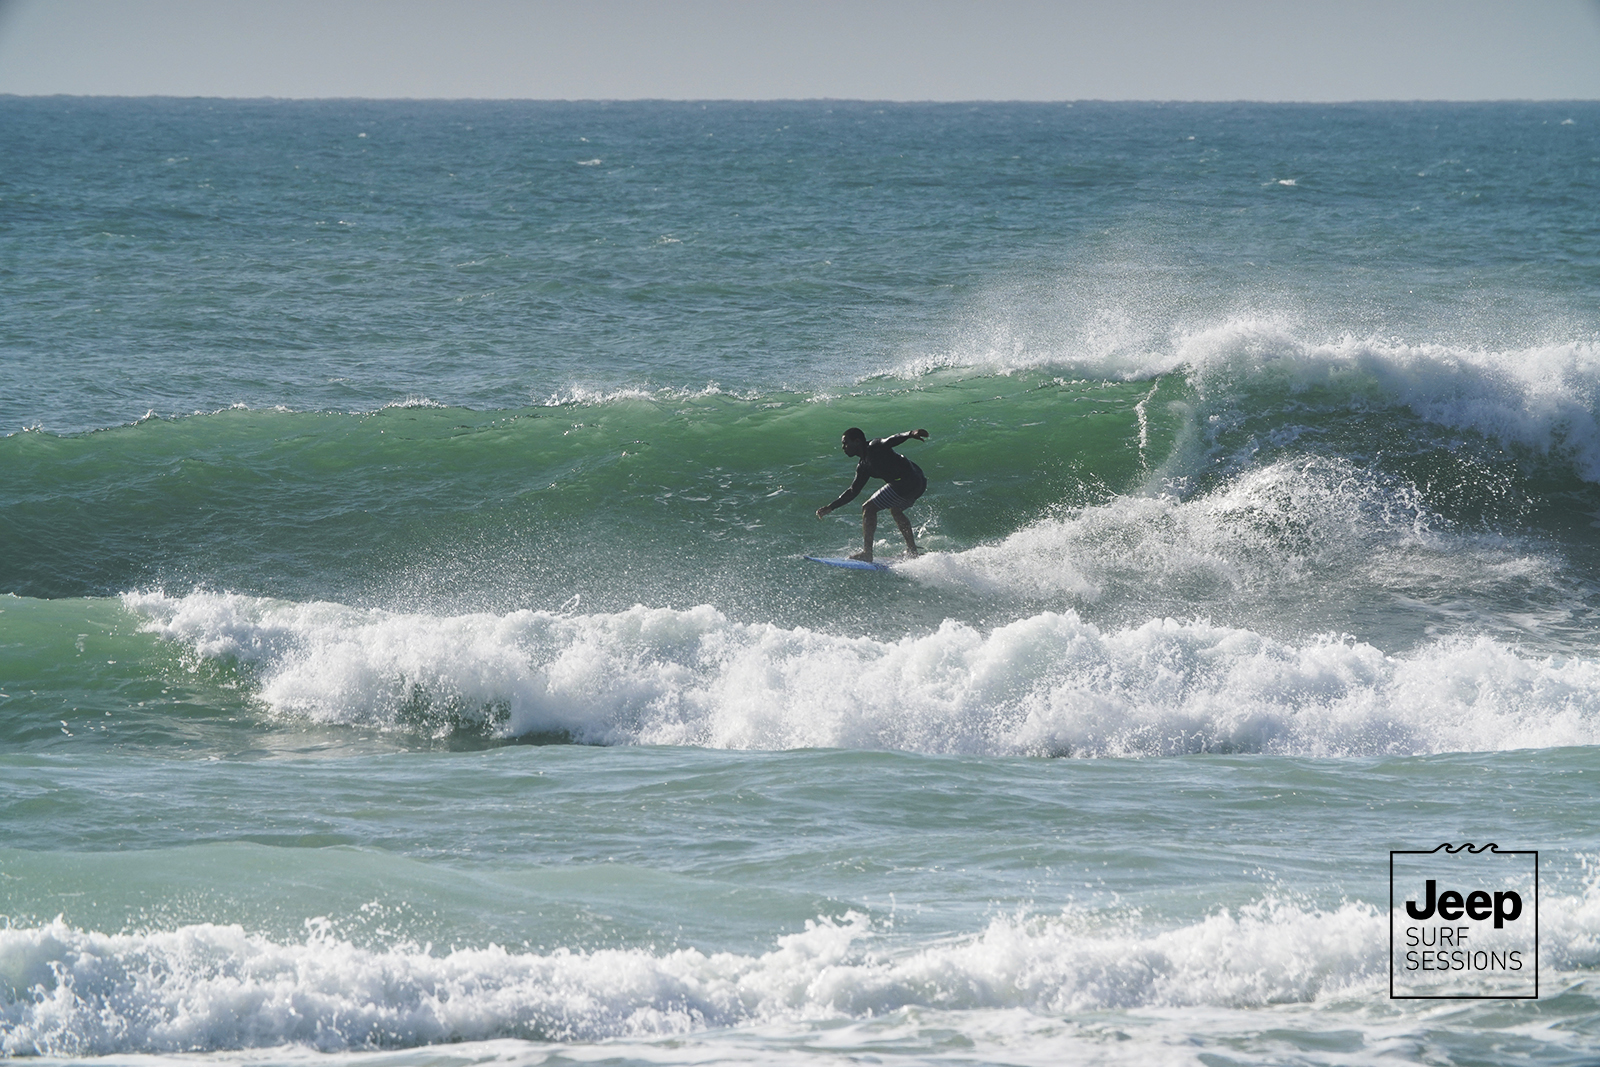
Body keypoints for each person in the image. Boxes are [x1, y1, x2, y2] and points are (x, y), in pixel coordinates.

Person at [815, 426, 929, 561]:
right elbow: (853, 491)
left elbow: (891, 440)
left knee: (868, 508)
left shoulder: (874, 446)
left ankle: (867, 553)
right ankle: (912, 551)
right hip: (918, 482)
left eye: (845, 443)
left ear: (857, 441)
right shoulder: (863, 466)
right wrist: (831, 507)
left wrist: (910, 434)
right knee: (896, 510)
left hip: (908, 481)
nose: (843, 447)